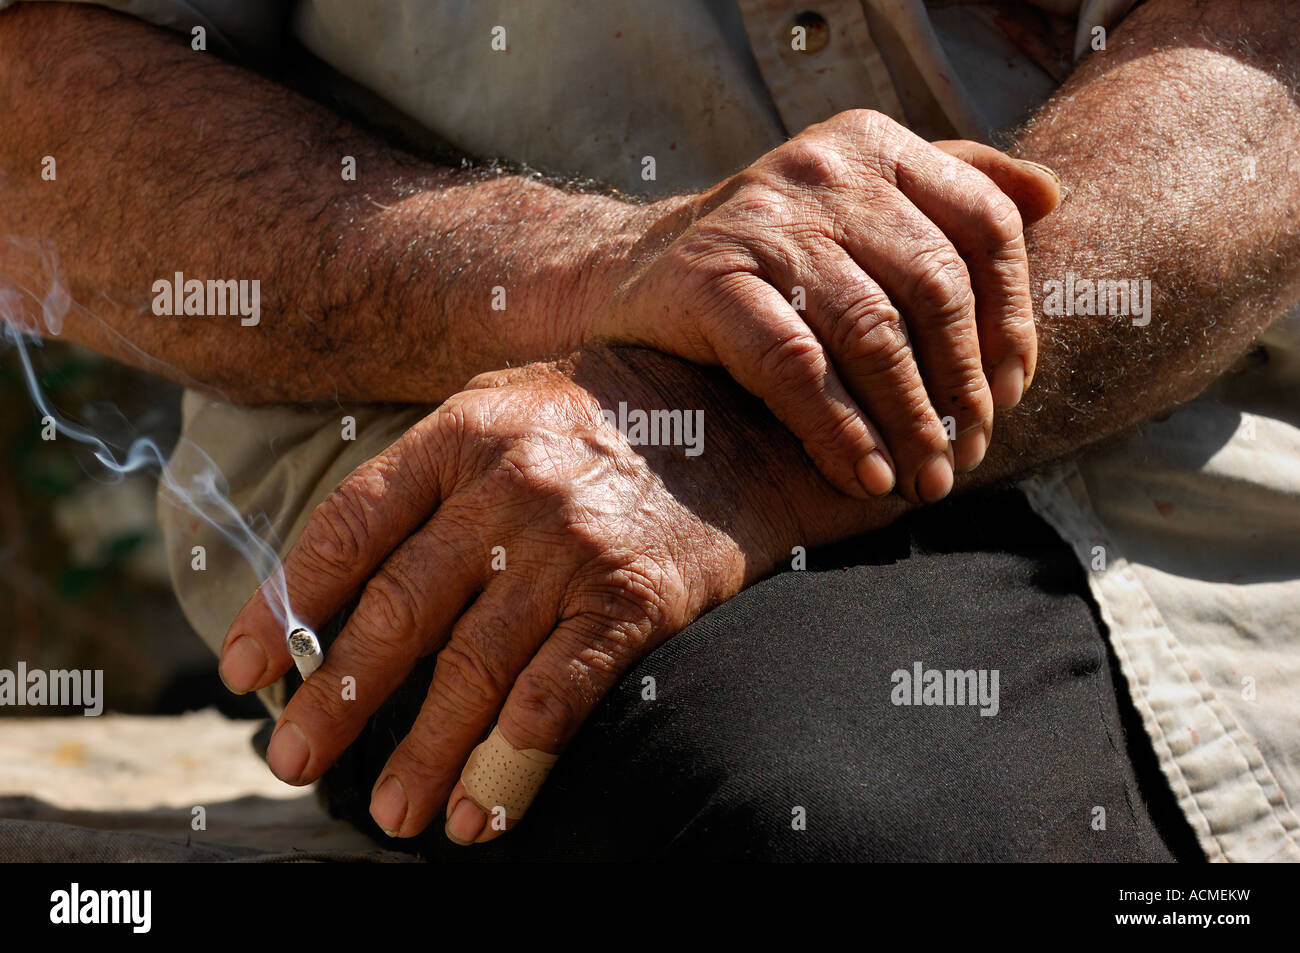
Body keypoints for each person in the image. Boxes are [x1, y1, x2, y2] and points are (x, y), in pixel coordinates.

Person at [1, 0, 1296, 860]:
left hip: (1208, 435)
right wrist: (601, 269)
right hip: (487, 453)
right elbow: (37, 103)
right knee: (849, 822)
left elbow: (1264, 56)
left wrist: (746, 415)